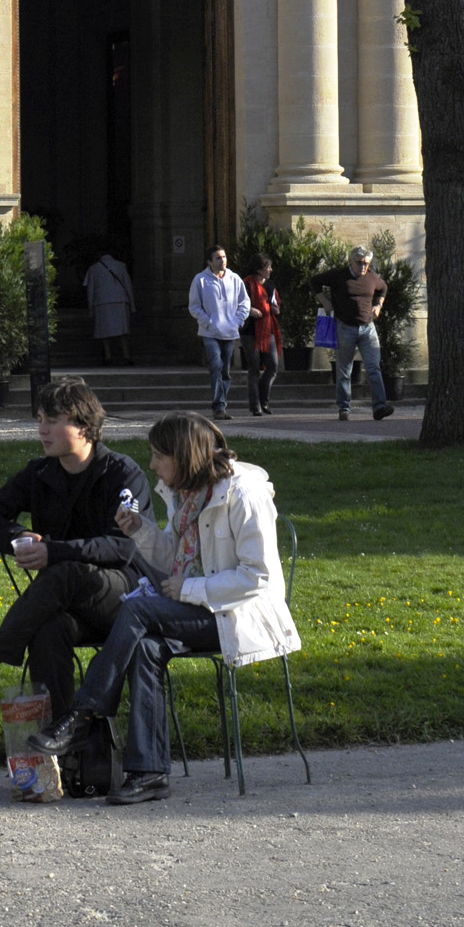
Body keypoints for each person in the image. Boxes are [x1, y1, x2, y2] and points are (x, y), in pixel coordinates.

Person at [34, 411, 300, 806]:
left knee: (139, 613)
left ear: (184, 456)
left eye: (160, 456)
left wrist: (191, 588)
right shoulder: (186, 493)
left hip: (237, 616)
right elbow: (172, 558)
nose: (153, 465)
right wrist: (139, 530)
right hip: (193, 607)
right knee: (145, 647)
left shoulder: (243, 494)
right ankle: (149, 773)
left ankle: (83, 715)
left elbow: (257, 577)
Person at [0, 380, 150, 724]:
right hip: (61, 600)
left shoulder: (120, 472)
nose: (42, 429)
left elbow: (124, 545)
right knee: (47, 631)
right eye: (40, 419)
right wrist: (19, 535)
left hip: (123, 596)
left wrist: (54, 551)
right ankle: (62, 743)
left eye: (53, 420)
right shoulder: (40, 472)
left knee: (64, 571)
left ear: (84, 427)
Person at [313, 243, 394, 423]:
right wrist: (324, 301)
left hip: (368, 328)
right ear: (351, 261)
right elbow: (315, 281)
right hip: (345, 327)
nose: (363, 267)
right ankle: (344, 407)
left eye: (366, 263)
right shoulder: (338, 275)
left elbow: (383, 288)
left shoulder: (372, 277)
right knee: (344, 370)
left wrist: (379, 305)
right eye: (359, 263)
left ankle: (380, 406)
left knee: (373, 368)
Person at [187, 246, 249, 418]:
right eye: (218, 258)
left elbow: (244, 302)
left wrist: (237, 321)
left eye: (224, 257)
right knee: (215, 365)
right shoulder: (200, 280)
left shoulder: (234, 279)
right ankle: (218, 406)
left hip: (229, 332)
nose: (222, 261)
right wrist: (207, 322)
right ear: (210, 262)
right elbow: (194, 306)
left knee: (225, 370)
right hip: (210, 333)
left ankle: (221, 403)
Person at [241, 255, 282, 417]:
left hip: (268, 329)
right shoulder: (246, 284)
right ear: (259, 269)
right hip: (250, 330)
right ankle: (255, 405)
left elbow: (276, 304)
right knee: (254, 367)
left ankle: (263, 399)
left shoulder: (270, 285)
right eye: (268, 267)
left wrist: (276, 310)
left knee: (272, 366)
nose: (271, 270)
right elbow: (238, 303)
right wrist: (250, 310)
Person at [83, 250, 135, 365]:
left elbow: (90, 289)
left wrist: (90, 308)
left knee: (104, 331)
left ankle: (108, 356)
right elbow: (128, 285)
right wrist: (132, 305)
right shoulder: (121, 266)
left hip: (102, 302)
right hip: (120, 300)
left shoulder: (93, 268)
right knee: (123, 330)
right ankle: (126, 355)